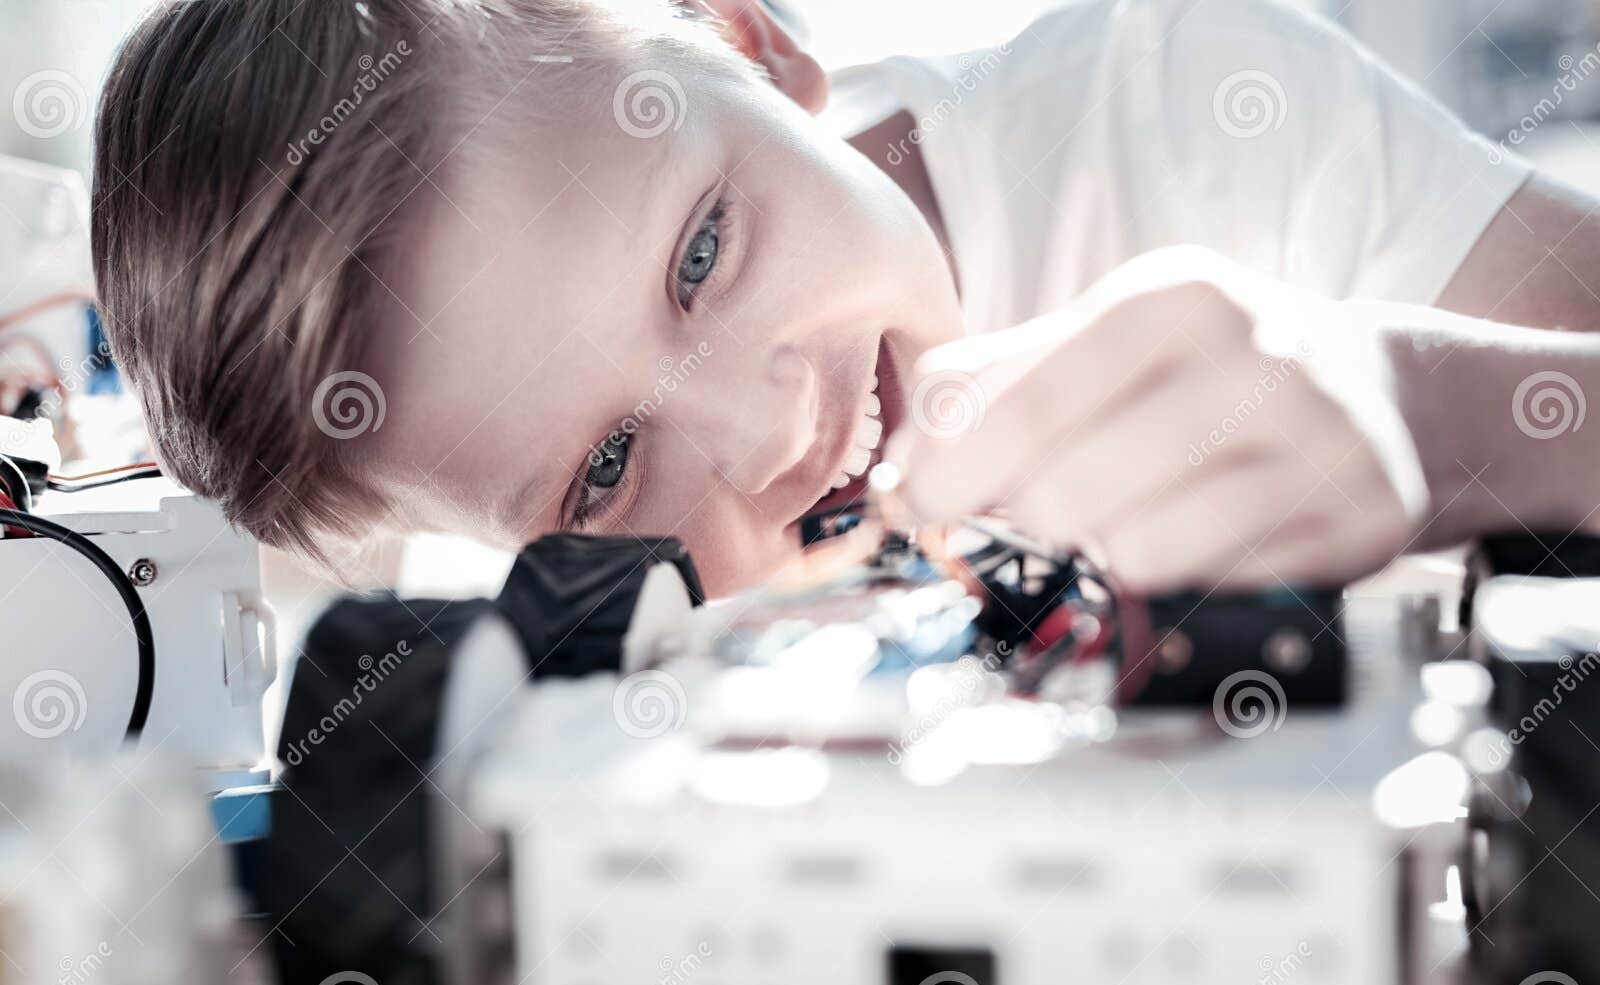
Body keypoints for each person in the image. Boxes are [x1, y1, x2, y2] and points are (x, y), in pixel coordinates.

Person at [90, 0, 1600, 596]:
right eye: (607, 468)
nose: (771, 435)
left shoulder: (1192, 107)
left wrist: (1444, 410)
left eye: (701, 257)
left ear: (750, 43)